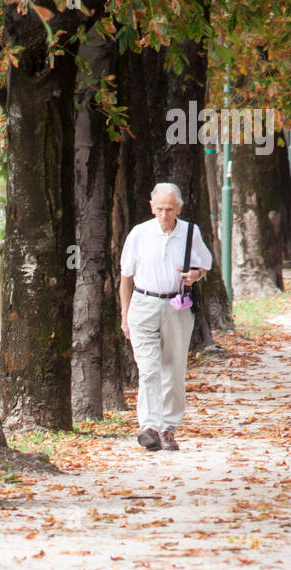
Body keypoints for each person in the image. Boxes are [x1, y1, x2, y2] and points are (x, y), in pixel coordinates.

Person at [119, 183, 212, 452]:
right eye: (159, 209)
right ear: (151, 207)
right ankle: (149, 427)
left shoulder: (190, 232)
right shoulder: (139, 233)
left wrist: (195, 275)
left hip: (176, 306)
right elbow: (126, 277)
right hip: (143, 303)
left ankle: (168, 428)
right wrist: (125, 315)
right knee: (148, 369)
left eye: (169, 210)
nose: (163, 214)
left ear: (179, 208)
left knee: (173, 369)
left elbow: (204, 264)